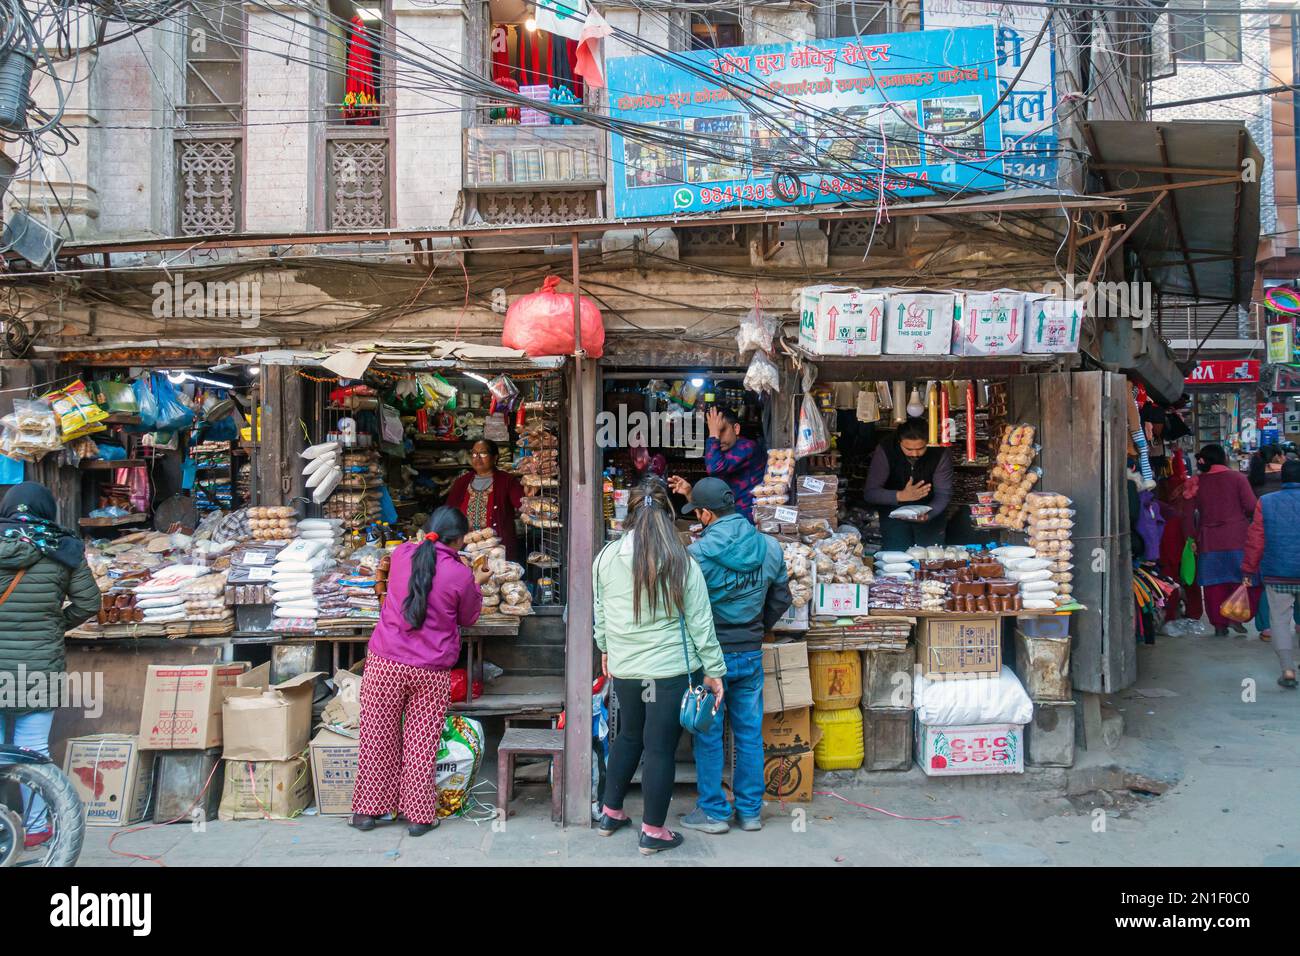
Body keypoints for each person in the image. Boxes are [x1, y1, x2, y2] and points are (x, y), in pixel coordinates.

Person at [593, 479, 725, 855]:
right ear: (668, 515)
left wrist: (606, 649)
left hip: (627, 669)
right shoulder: (681, 559)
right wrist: (714, 669)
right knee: (659, 749)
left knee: (629, 737)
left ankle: (610, 813)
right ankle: (653, 831)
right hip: (667, 671)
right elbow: (701, 621)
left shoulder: (605, 557)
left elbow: (600, 612)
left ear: (627, 514)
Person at [351, 506, 492, 836]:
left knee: (377, 737)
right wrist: (476, 583)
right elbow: (468, 618)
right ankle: (418, 817)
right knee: (420, 744)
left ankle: (366, 813)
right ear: (459, 540)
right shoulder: (459, 574)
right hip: (430, 670)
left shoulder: (401, 554)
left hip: (386, 662)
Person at [676, 477, 791, 835]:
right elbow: (781, 598)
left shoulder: (696, 555)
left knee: (708, 733)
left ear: (707, 513)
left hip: (712, 658)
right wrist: (756, 628)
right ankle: (750, 812)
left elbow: (683, 606)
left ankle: (713, 813)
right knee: (749, 734)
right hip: (750, 653)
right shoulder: (770, 547)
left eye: (697, 512)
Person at [0, 482, 100, 849]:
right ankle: (37, 825)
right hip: (39, 665)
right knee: (33, 748)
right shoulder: (62, 547)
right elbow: (89, 603)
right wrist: (56, 624)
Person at [1182, 444, 1261, 637]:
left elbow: (1186, 514)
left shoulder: (1196, 482)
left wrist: (1190, 537)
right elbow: (1251, 506)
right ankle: (1236, 616)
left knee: (1213, 583)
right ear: (1223, 458)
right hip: (1237, 537)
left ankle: (1219, 624)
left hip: (1208, 540)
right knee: (1240, 579)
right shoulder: (1237, 479)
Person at [1241, 459, 1300, 688]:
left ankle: (1287, 670)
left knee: (1280, 621)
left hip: (1278, 573)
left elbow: (1255, 540)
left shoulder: (1266, 502)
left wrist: (1248, 569)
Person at [863, 416, 954, 551]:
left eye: (921, 448)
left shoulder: (939, 450)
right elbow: (870, 493)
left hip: (930, 514)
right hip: (893, 516)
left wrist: (929, 514)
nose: (915, 454)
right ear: (899, 441)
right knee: (897, 559)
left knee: (930, 561)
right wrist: (901, 496)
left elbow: (943, 493)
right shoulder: (886, 449)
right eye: (908, 449)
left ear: (929, 441)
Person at [669, 406, 765, 521]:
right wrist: (689, 492)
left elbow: (714, 468)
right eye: (713, 431)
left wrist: (714, 434)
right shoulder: (719, 452)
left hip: (747, 522)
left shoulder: (748, 447)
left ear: (736, 429)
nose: (718, 437)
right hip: (730, 522)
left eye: (722, 430)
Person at [444, 439, 525, 560]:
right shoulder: (462, 481)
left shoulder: (507, 480)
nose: (477, 458)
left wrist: (530, 495)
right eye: (474, 454)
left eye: (483, 453)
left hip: (498, 549)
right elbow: (448, 512)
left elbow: (522, 503)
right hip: (466, 549)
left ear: (495, 457)